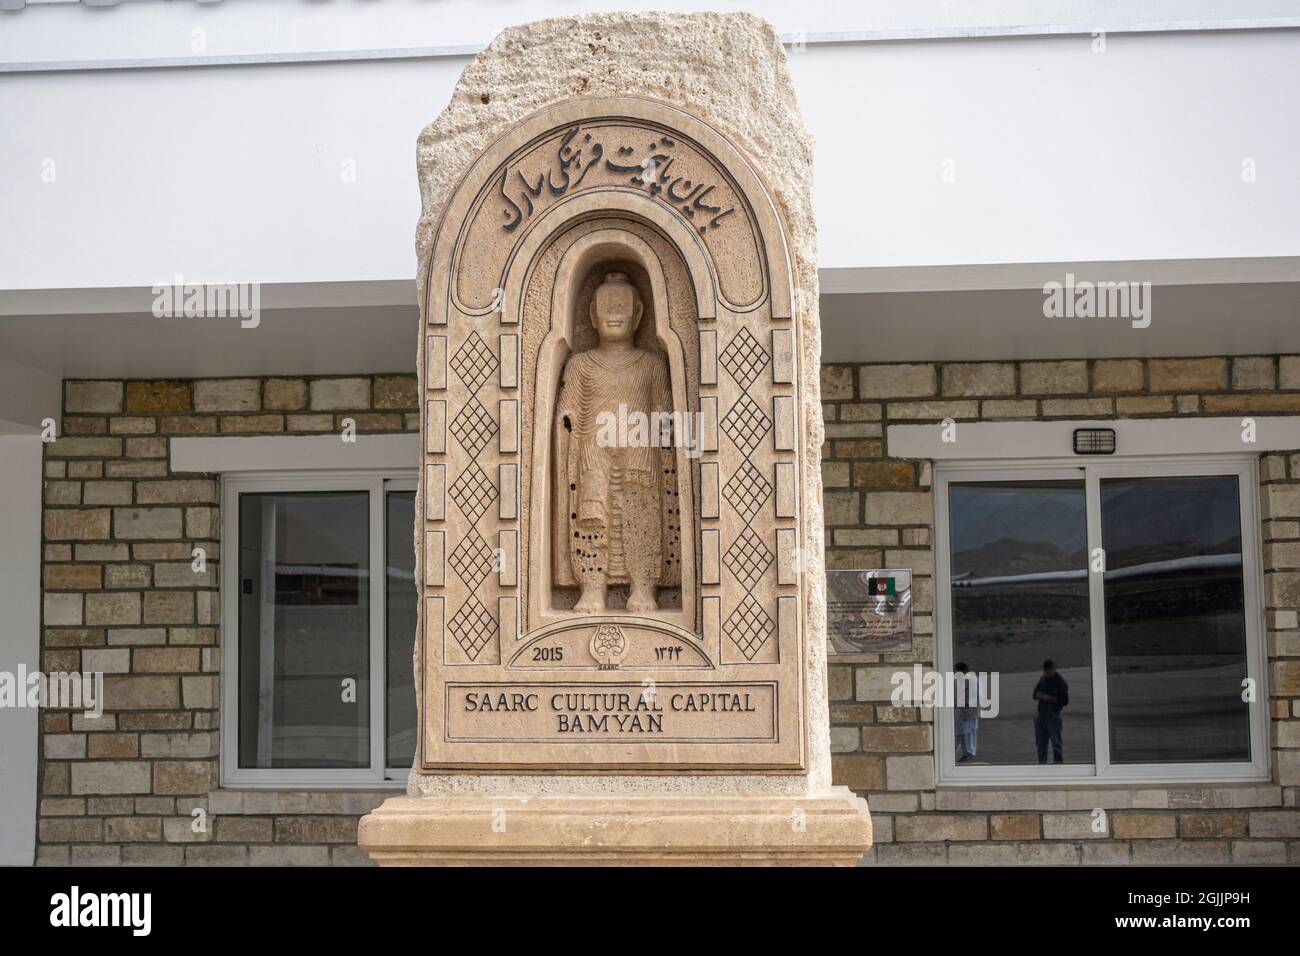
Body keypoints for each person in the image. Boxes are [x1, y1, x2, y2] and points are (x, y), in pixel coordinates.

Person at [554, 271, 673, 613]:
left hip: (639, 450)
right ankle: (592, 590)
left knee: (642, 518)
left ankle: (643, 589)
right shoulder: (580, 365)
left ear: (638, 315)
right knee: (591, 517)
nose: (614, 312)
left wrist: (665, 432)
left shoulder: (651, 364)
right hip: (594, 452)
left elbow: (663, 407)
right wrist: (570, 425)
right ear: (592, 314)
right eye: (607, 306)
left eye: (622, 305)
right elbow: (569, 409)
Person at [1032, 658, 1069, 764]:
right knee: (1041, 745)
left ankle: (1058, 767)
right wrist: (1038, 695)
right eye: (1045, 672)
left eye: (1048, 671)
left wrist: (1051, 699)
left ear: (1053, 669)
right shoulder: (1043, 679)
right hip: (1041, 715)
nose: (1047, 673)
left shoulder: (1060, 682)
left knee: (1056, 744)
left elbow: (1065, 701)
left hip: (1054, 715)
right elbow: (1034, 694)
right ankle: (1042, 766)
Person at [954, 661, 979, 762]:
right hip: (962, 711)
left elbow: (975, 696)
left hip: (968, 711)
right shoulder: (964, 680)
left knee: (967, 733)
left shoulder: (972, 680)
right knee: (962, 732)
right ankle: (965, 752)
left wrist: (964, 703)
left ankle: (969, 753)